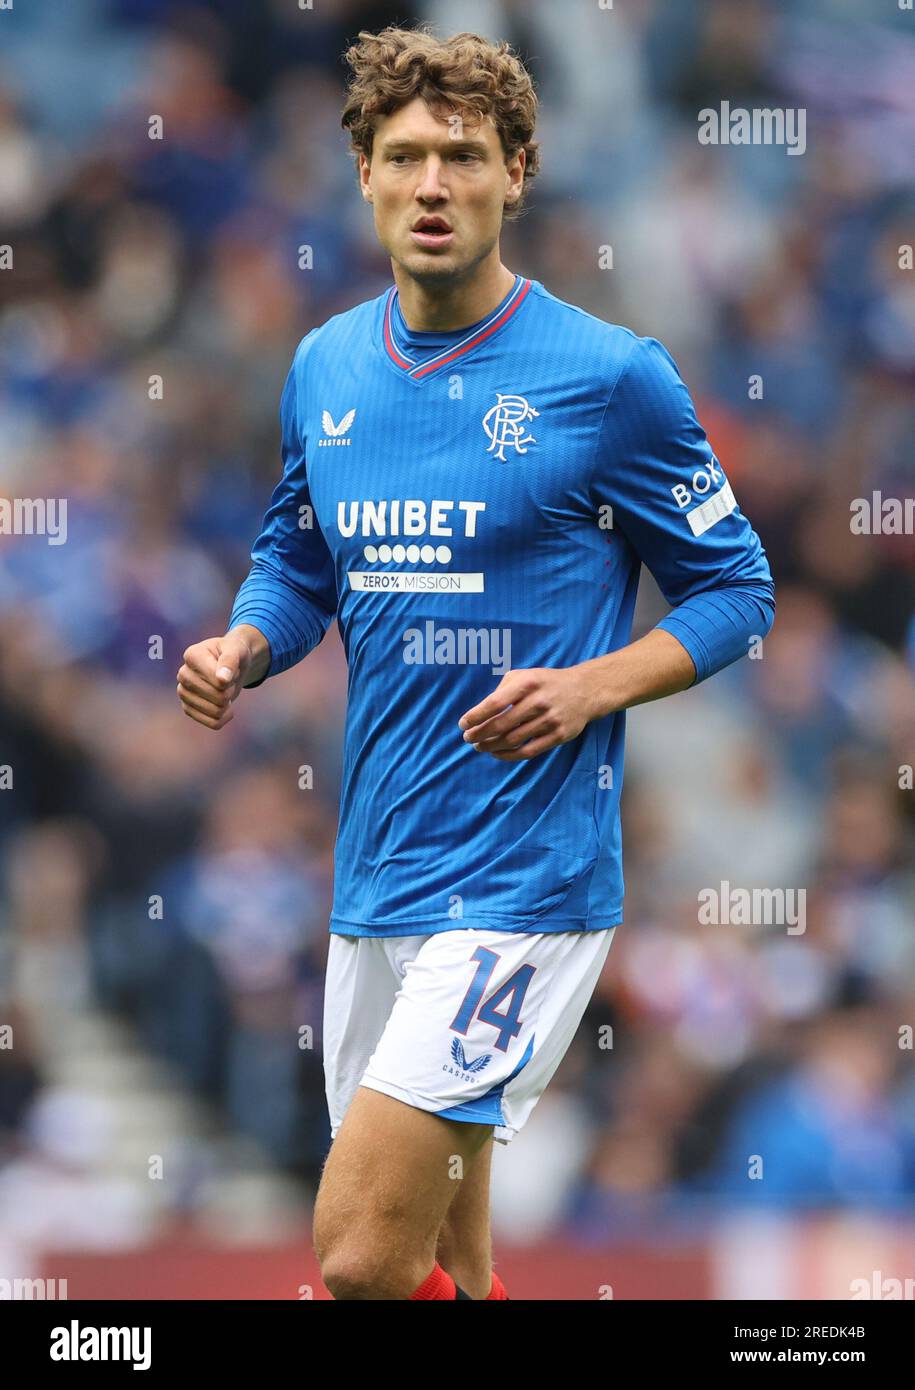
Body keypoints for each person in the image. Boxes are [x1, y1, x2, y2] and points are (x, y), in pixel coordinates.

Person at [176, 25, 775, 1300]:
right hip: (379, 871)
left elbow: (739, 588)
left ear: (519, 173)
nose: (433, 184)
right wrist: (243, 642)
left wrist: (590, 686)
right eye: (405, 156)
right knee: (451, 1258)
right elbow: (299, 563)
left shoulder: (613, 378)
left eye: (463, 156)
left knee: (355, 1257)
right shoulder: (325, 364)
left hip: (524, 881)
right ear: (364, 177)